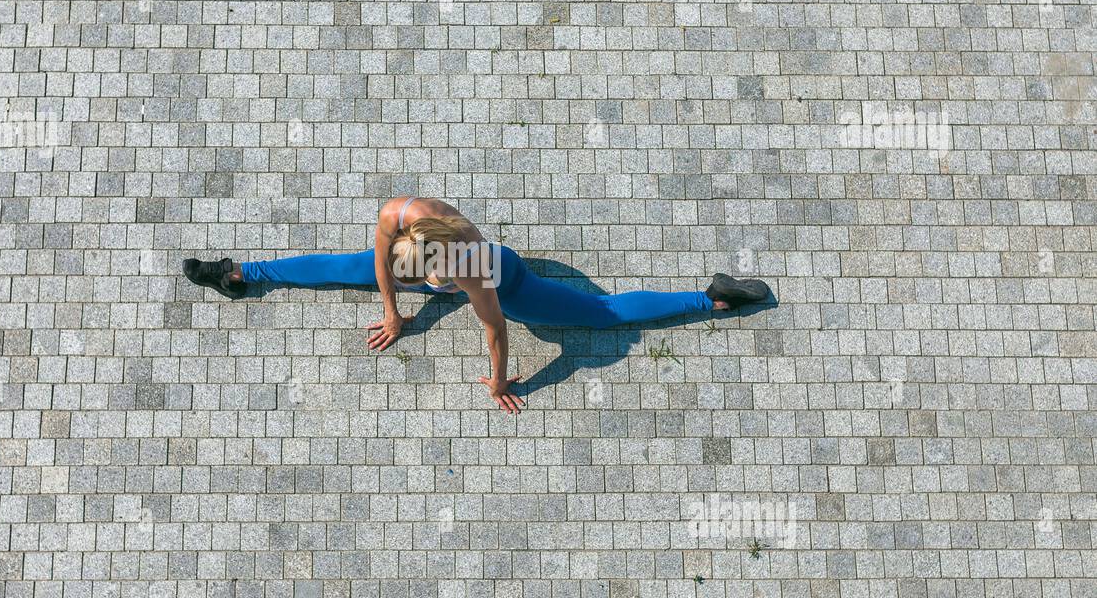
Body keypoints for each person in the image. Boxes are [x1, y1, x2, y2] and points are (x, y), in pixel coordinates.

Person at [183, 197, 772, 413]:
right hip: (437, 266)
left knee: (605, 314)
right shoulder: (400, 214)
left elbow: (495, 334)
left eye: (422, 273)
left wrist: (497, 384)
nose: (413, 277)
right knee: (343, 269)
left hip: (511, 288)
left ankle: (709, 296)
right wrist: (393, 310)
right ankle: (243, 273)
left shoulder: (470, 269)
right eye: (410, 269)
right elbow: (378, 262)